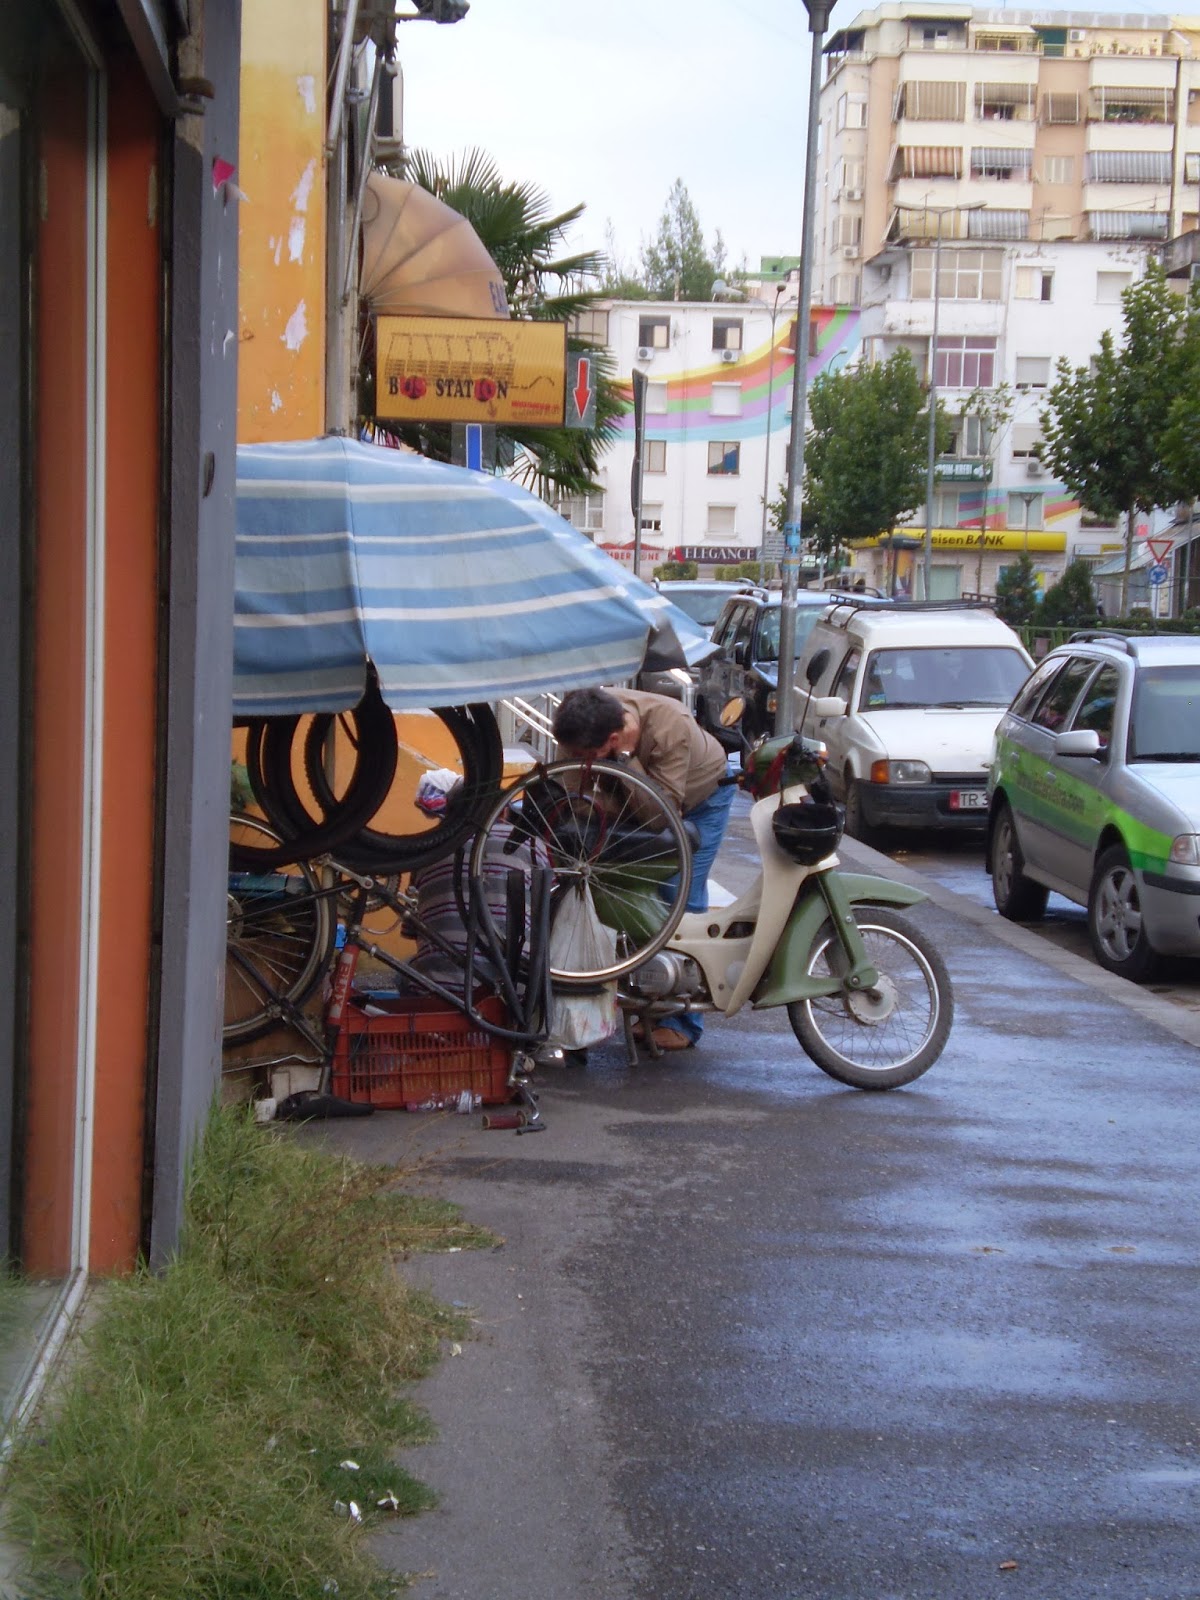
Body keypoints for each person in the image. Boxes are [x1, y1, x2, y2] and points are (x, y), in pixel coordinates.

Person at [552, 686, 735, 1051]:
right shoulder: (579, 724)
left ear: (614, 739)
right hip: (631, 798)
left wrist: (625, 763)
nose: (576, 758)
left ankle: (682, 1020)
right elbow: (574, 795)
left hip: (701, 798)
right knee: (625, 885)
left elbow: (658, 817)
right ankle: (651, 993)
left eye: (585, 755)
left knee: (677, 893)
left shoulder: (670, 726)